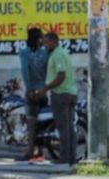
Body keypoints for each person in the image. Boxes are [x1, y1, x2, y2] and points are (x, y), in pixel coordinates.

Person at [37, 32, 77, 165]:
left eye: (46, 42)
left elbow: (61, 76)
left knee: (63, 129)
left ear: (53, 42)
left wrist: (45, 88)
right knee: (70, 128)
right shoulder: (62, 53)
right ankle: (71, 158)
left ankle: (65, 159)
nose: (44, 45)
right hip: (70, 93)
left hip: (61, 94)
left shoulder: (58, 54)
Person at [18, 27, 49, 162]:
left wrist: (29, 89)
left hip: (32, 91)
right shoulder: (45, 53)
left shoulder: (24, 53)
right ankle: (40, 152)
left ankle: (29, 152)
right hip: (43, 91)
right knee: (42, 123)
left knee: (31, 122)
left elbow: (25, 71)